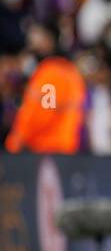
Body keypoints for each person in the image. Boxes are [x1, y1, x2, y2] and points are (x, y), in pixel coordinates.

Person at [4, 24, 86, 154]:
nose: (32, 40)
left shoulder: (51, 72)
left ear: (49, 40)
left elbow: (44, 114)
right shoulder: (69, 70)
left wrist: (15, 142)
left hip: (47, 149)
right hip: (64, 147)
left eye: (37, 35)